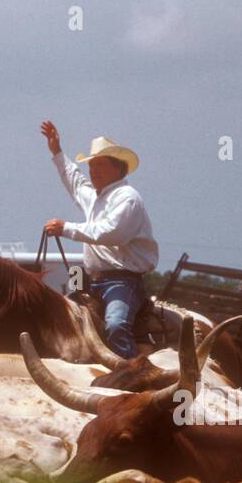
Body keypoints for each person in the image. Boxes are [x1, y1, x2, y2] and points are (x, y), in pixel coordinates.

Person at [40, 121, 158, 359]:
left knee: (115, 325)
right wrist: (57, 152)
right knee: (59, 315)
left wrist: (66, 228)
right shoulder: (96, 197)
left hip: (122, 280)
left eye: (100, 165)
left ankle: (130, 377)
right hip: (90, 277)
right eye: (91, 166)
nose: (93, 171)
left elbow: (112, 232)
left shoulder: (128, 197)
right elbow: (74, 180)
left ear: (118, 168)